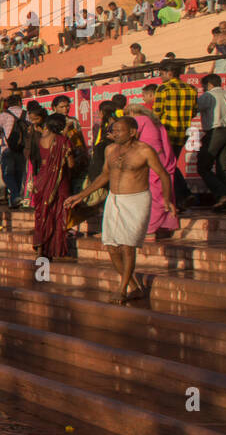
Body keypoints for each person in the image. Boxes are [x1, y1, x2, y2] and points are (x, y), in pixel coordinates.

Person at [65, 117, 174, 303]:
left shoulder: (144, 150)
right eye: (113, 131)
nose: (114, 134)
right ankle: (133, 286)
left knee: (127, 246)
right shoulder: (110, 149)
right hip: (114, 200)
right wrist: (81, 195)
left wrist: (166, 199)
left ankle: (122, 290)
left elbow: (163, 174)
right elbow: (105, 175)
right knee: (112, 247)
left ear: (132, 132)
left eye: (118, 131)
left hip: (137, 200)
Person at [126, 94, 179, 236]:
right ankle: (166, 224)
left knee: (155, 194)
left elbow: (132, 137)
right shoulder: (154, 121)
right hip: (161, 157)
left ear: (132, 112)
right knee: (162, 190)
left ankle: (151, 228)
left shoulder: (139, 120)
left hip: (151, 159)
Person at [195, 72, 226, 211]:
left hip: (215, 132)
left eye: (204, 86)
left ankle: (223, 194)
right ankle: (222, 203)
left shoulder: (208, 96)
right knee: (223, 168)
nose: (204, 89)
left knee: (203, 166)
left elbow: (194, 110)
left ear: (209, 85)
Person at [153, 61, 197, 211]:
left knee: (167, 167)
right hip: (182, 133)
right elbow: (195, 111)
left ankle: (182, 194)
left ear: (169, 73)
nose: (160, 77)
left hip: (166, 133)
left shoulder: (163, 89)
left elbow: (156, 114)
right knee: (171, 165)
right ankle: (181, 197)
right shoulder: (191, 89)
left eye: (162, 73)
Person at [30, 114, 73, 258]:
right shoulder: (63, 141)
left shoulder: (42, 139)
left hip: (42, 179)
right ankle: (55, 249)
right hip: (59, 182)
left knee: (42, 212)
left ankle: (41, 247)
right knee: (58, 213)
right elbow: (71, 164)